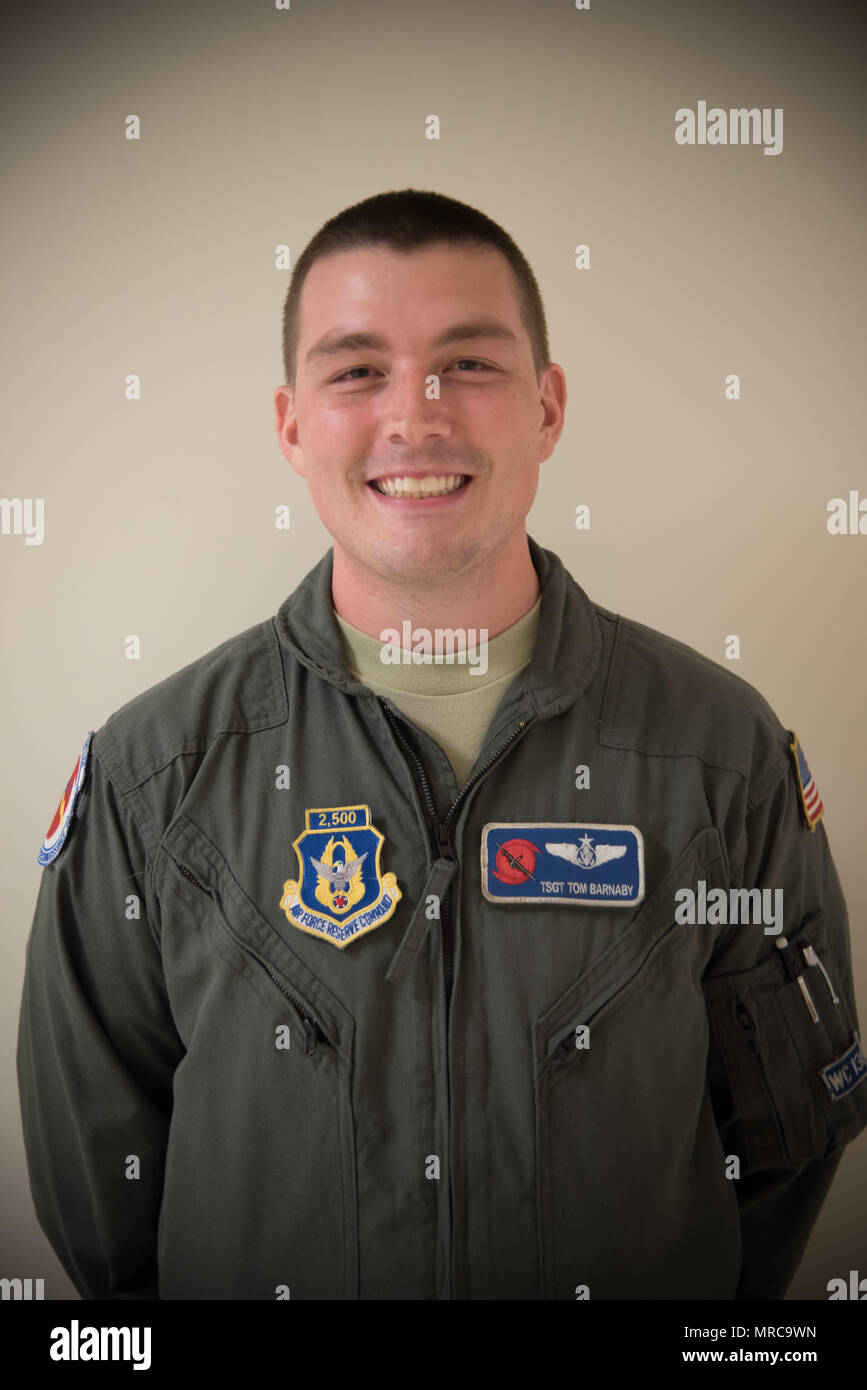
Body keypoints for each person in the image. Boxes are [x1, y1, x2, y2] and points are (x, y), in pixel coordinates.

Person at [17, 188, 867, 1301]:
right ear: (291, 424)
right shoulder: (151, 775)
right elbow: (101, 1192)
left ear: (548, 407)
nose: (415, 417)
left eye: (468, 364)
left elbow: (786, 1138)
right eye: (357, 369)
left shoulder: (722, 755)